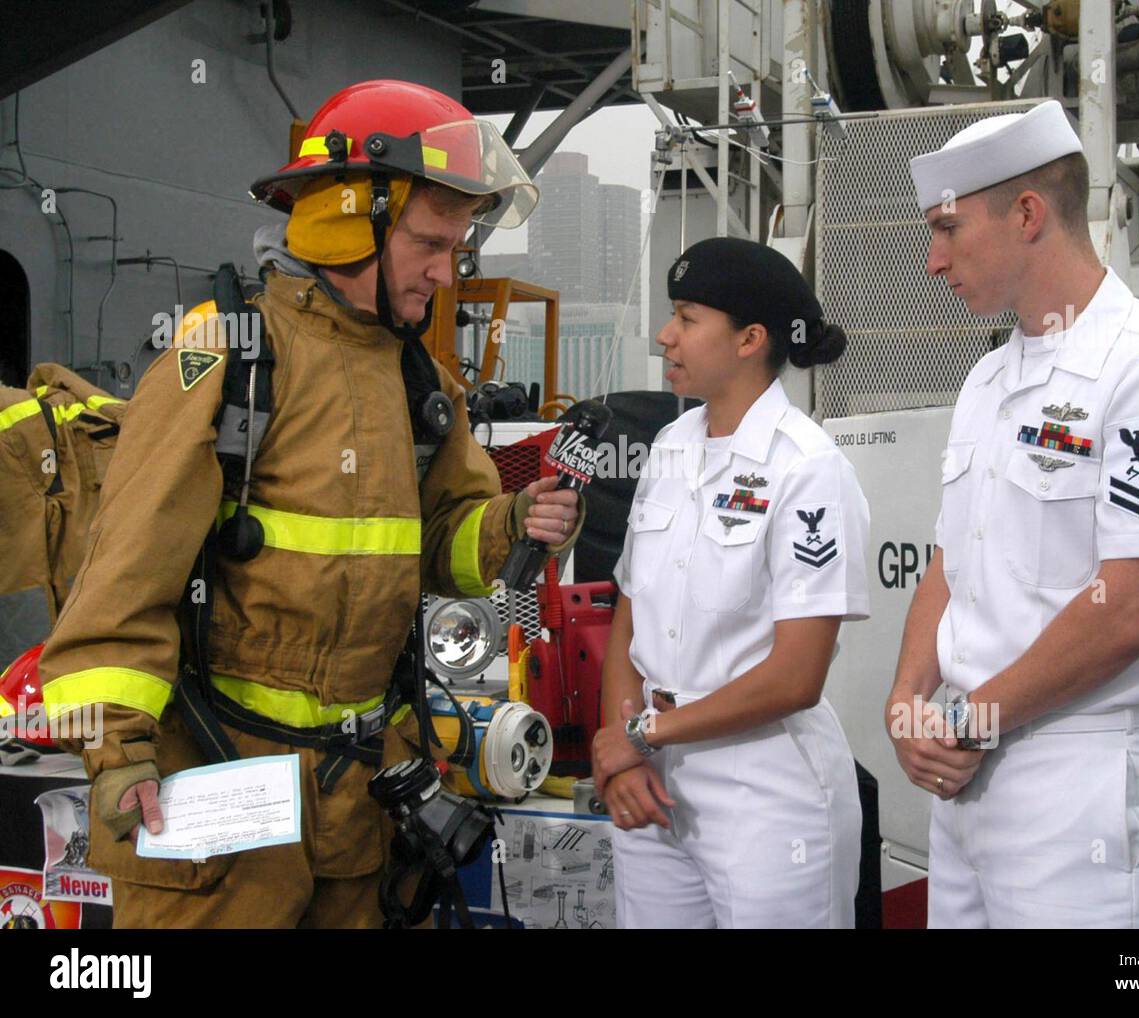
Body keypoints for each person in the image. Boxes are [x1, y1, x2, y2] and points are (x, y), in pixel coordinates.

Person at [36, 80, 582, 928]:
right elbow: (124, 569)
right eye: (431, 244)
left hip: (357, 810)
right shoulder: (223, 356)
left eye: (457, 246)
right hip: (222, 804)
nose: (446, 272)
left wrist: (515, 523)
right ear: (346, 220)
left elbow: (445, 542)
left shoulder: (421, 385)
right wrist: (117, 753)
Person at [887, 100, 1139, 928]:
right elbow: (953, 564)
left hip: (1079, 777)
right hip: (967, 769)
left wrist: (972, 718)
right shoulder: (988, 381)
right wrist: (908, 702)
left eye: (948, 230)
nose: (934, 262)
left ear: (1026, 214)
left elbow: (1130, 608)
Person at [591, 236, 871, 928]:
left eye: (687, 318)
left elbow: (795, 676)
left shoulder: (808, 468)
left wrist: (643, 735)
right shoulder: (670, 446)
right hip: (655, 780)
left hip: (765, 792)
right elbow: (631, 617)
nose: (665, 335)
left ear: (750, 339)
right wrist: (626, 753)